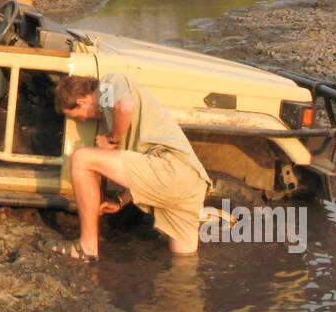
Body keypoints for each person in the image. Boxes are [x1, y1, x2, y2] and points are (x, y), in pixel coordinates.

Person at [51, 73, 216, 261]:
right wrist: (121, 200)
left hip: (169, 167)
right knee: (184, 263)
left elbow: (125, 106)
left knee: (81, 159)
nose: (82, 121)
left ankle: (87, 246)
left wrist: (112, 139)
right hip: (191, 184)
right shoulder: (113, 115)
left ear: (82, 101)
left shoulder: (107, 83)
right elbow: (143, 171)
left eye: (77, 116)